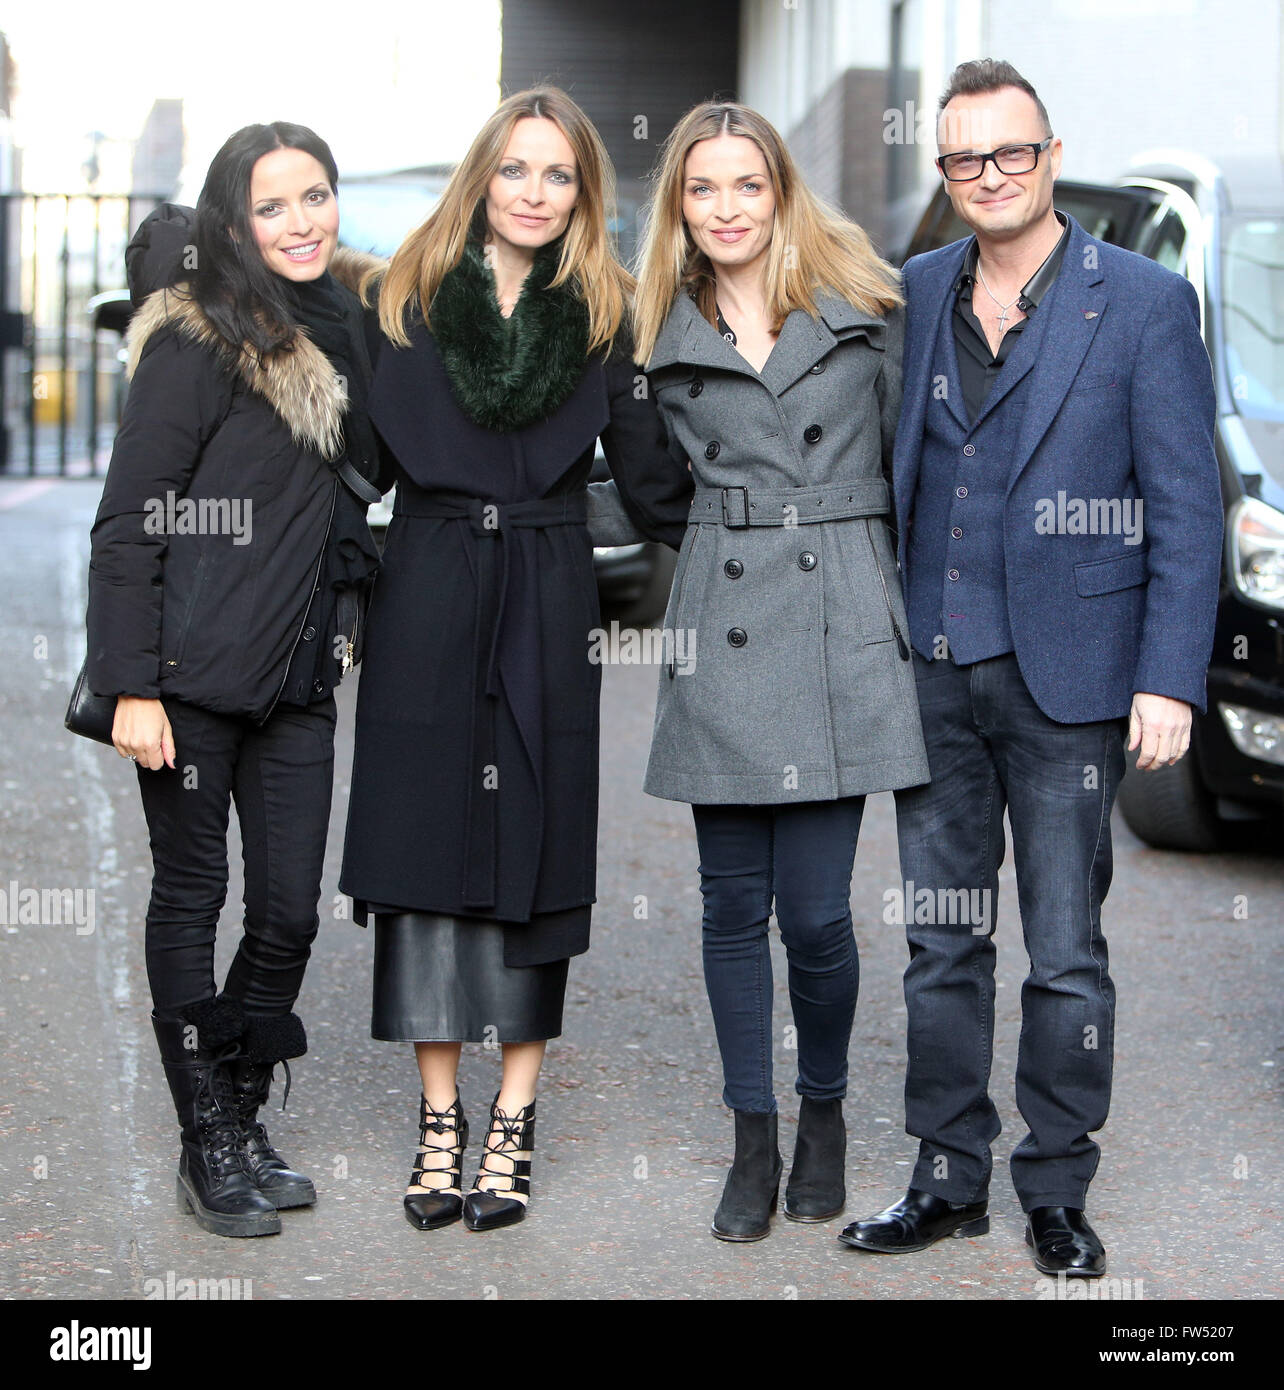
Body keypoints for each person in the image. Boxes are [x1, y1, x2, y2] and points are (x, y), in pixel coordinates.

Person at [839, 60, 1223, 1277]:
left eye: (1010, 154)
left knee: (1065, 952)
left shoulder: (1148, 303)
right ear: (945, 170)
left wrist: (1169, 679)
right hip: (936, 677)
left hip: (1074, 684)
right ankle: (946, 1176)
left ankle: (1056, 1185)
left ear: (1050, 157)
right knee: (941, 942)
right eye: (964, 159)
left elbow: (1187, 504)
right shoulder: (917, 288)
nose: (989, 177)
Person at [338, 86, 692, 1233]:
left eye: (559, 175)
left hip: (546, 587)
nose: (535, 193)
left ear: (582, 193)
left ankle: (515, 1119)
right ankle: (440, 1118)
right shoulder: (401, 305)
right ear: (480, 177)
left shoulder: (607, 315)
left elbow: (656, 484)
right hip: (429, 589)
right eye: (516, 170)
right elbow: (346, 473)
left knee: (538, 838)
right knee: (422, 837)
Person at [629, 101, 929, 1242]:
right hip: (727, 608)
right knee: (727, 905)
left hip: (840, 610)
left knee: (815, 915)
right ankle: (750, 1135)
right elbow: (650, 486)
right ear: (681, 206)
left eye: (746, 185)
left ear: (781, 189)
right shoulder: (657, 324)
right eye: (702, 190)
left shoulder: (869, 302)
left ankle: (826, 1115)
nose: (725, 208)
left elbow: (916, 464)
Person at [85, 122, 383, 1237]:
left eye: (318, 196)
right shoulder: (200, 341)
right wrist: (129, 685)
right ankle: (206, 1135)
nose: (303, 221)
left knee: (292, 913)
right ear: (233, 223)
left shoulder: (351, 331)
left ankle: (243, 1103)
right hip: (186, 680)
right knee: (191, 901)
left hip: (298, 678)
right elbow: (128, 527)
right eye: (275, 205)